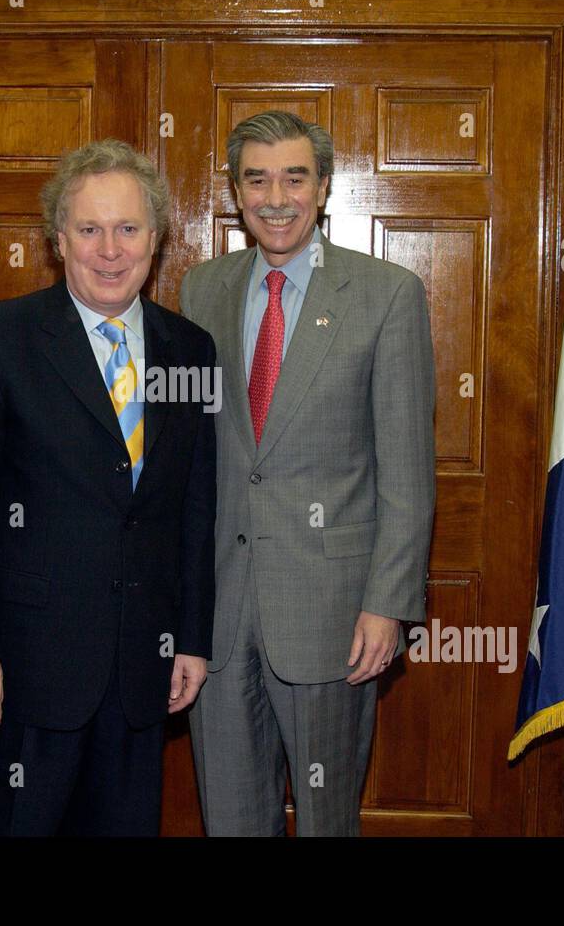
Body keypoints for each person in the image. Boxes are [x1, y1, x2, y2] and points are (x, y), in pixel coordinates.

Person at [0, 139, 217, 836]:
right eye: (89, 229)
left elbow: (195, 509)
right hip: (22, 680)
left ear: (158, 237)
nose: (109, 249)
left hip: (140, 676)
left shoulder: (191, 350)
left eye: (128, 228)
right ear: (59, 240)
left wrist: (193, 639)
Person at [179, 110, 436, 836]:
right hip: (221, 618)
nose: (275, 196)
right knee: (229, 817)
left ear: (323, 188)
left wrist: (388, 604)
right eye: (256, 179)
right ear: (234, 192)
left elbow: (408, 473)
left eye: (295, 176)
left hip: (334, 615)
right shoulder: (203, 290)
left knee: (327, 819)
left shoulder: (386, 294)